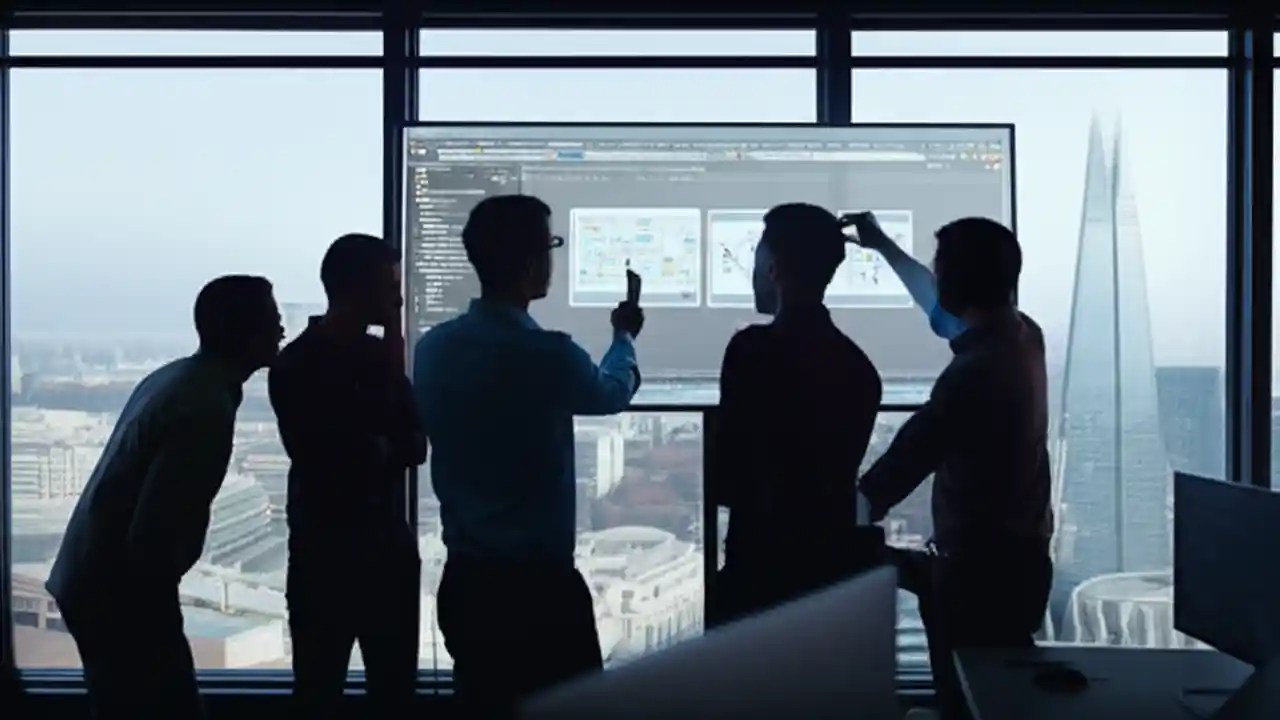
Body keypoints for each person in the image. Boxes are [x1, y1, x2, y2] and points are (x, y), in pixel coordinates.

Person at [413, 194, 644, 717]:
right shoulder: (547, 354)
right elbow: (610, 392)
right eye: (551, 245)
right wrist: (623, 334)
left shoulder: (433, 350)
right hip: (539, 592)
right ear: (532, 261)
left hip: (468, 585)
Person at [46, 275, 283, 720]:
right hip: (122, 593)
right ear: (242, 331)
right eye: (273, 320)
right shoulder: (206, 404)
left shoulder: (179, 377)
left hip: (96, 579)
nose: (282, 331)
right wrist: (155, 618)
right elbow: (154, 533)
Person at [857, 218, 1053, 720]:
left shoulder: (973, 375)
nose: (936, 280)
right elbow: (939, 307)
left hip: (978, 581)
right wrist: (881, 245)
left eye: (941, 270)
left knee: (968, 702)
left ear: (958, 283)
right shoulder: (1024, 335)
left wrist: (828, 522)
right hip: (1019, 567)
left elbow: (895, 472)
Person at [269, 234, 426, 720]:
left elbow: (406, 448)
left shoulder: (298, 362)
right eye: (390, 286)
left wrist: (372, 444)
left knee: (321, 689)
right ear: (359, 288)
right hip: (364, 554)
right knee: (383, 693)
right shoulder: (324, 363)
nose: (399, 300)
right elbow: (386, 448)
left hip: (328, 552)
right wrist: (380, 444)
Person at [712, 203, 884, 625]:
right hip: (828, 576)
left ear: (773, 268)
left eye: (755, 257)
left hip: (757, 569)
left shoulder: (751, 351)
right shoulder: (859, 368)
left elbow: (726, 475)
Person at [845, 211, 968, 340]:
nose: (934, 269)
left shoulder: (958, 326)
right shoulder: (960, 323)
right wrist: (880, 242)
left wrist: (881, 243)